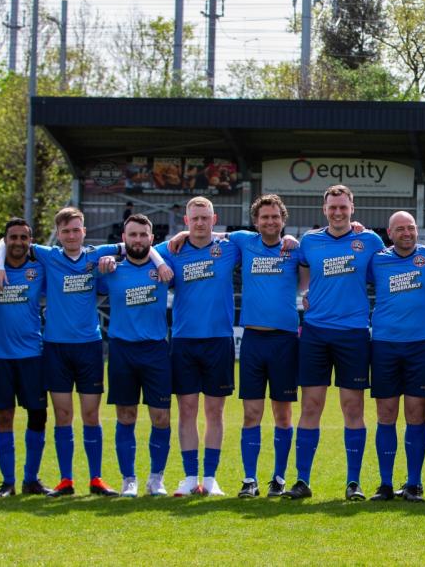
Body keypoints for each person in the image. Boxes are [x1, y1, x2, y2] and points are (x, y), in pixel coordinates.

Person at [0, 206, 169, 498]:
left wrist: (157, 259)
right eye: (65, 231)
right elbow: (8, 241)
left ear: (84, 231)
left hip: (89, 346)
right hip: (56, 347)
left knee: (91, 414)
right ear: (58, 235)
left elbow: (139, 244)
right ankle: (66, 480)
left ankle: (96, 479)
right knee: (63, 414)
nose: (71, 235)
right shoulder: (48, 256)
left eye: (76, 230)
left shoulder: (95, 256)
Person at [285, 185, 386, 501]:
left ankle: (353, 482)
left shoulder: (370, 241)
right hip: (315, 333)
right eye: (333, 207)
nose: (338, 212)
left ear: (352, 208)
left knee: (352, 407)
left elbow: (384, 274)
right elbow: (299, 272)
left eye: (343, 207)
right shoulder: (309, 242)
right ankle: (302, 480)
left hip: (354, 333)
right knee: (311, 405)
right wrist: (305, 295)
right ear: (324, 209)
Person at [367, 212, 425, 502]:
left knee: (416, 416)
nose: (407, 233)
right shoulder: (376, 259)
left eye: (411, 228)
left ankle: (414, 483)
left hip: (421, 346)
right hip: (384, 345)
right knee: (386, 415)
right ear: (389, 233)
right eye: (400, 229)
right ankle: (384, 483)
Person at [154, 197, 241, 497]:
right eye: (195, 218)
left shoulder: (230, 247)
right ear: (186, 221)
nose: (200, 222)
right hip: (184, 340)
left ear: (214, 219)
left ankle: (211, 477)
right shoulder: (172, 250)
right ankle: (191, 477)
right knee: (187, 409)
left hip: (219, 339)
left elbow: (263, 238)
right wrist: (175, 239)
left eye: (205, 217)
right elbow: (144, 250)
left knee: (215, 411)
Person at [0, 218, 49, 498]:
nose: (18, 242)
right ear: (5, 240)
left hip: (32, 355)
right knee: (4, 416)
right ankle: (7, 482)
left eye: (23, 238)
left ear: (30, 241)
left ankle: (31, 479)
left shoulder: (40, 267)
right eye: (12, 237)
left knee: (38, 416)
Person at [229, 195, 301, 499]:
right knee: (251, 413)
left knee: (283, 415)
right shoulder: (243, 241)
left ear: (283, 219)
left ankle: (279, 478)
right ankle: (249, 479)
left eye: (275, 217)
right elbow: (206, 234)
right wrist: (180, 235)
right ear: (255, 221)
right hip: (254, 341)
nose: (270, 221)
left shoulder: (296, 248)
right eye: (264, 217)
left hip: (284, 340)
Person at [98, 214, 174, 497]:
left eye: (143, 235)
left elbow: (184, 238)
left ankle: (156, 478)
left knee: (161, 417)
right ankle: (128, 479)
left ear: (152, 239)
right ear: (124, 238)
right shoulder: (110, 270)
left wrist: (162, 261)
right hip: (121, 350)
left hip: (155, 350)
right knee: (126, 415)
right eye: (133, 235)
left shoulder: (165, 264)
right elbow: (86, 258)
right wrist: (107, 259)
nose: (138, 240)